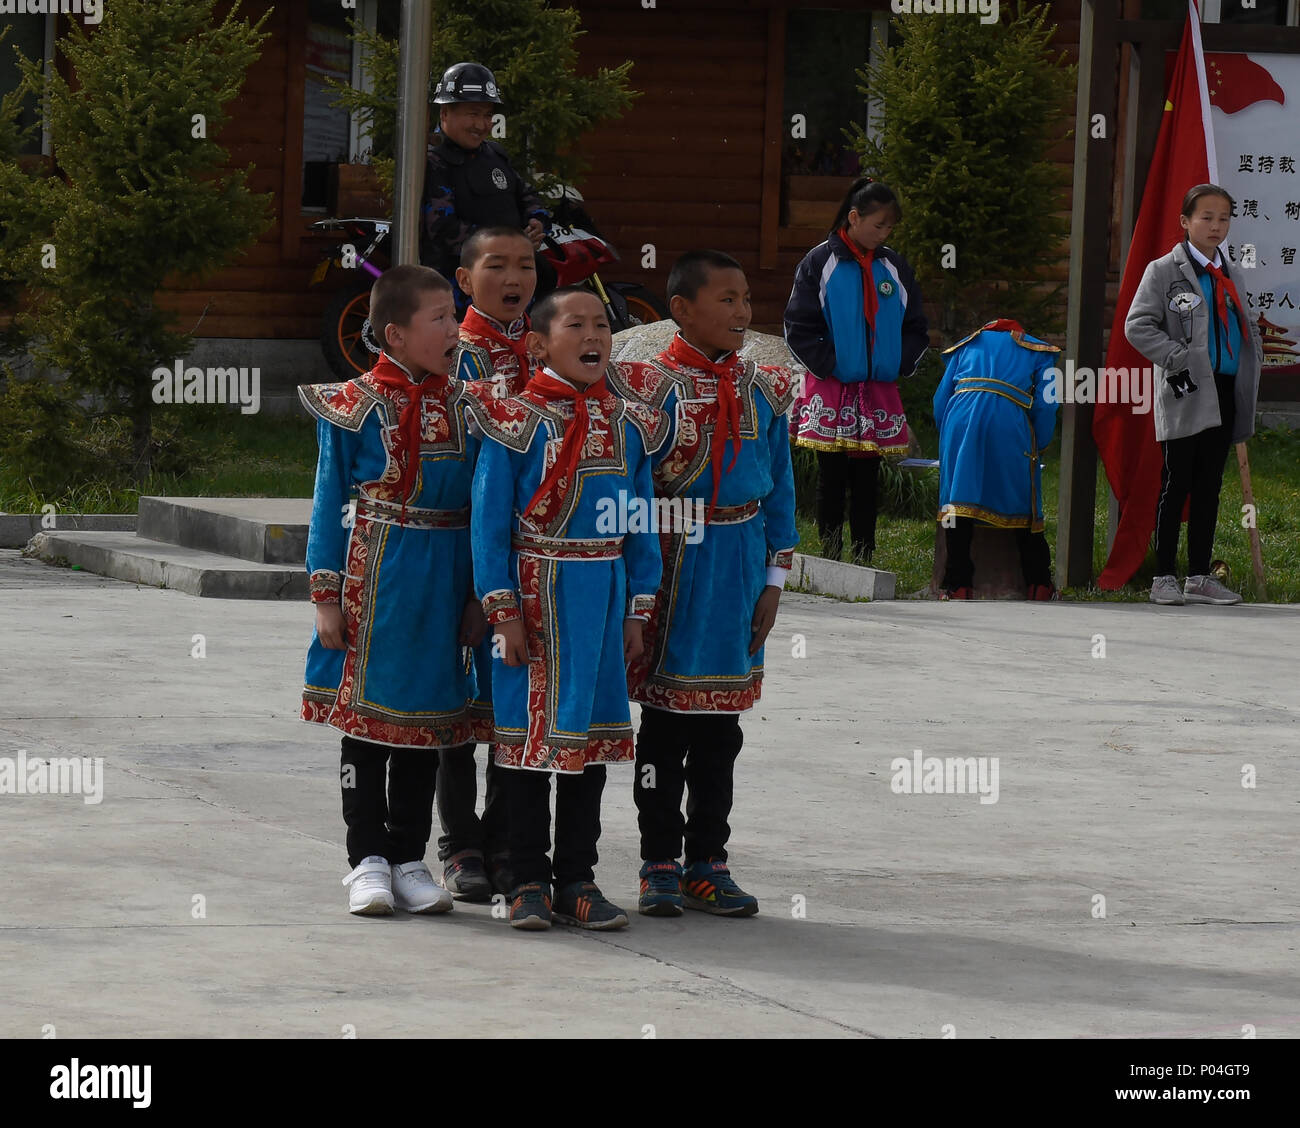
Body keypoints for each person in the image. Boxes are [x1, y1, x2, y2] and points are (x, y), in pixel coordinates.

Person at [466, 286, 669, 931]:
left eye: (602, 325)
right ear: (538, 342)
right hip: (532, 594)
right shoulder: (515, 420)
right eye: (575, 324)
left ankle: (578, 879)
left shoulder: (630, 423)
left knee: (587, 748)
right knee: (527, 747)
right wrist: (502, 612)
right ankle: (526, 878)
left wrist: (638, 609)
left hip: (603, 597)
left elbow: (640, 521)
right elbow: (489, 525)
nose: (593, 336)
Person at [299, 264, 489, 917]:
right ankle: (366, 860)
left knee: (428, 725)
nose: (454, 328)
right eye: (439, 318)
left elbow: (484, 507)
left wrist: (478, 598)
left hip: (448, 571)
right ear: (394, 334)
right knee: (369, 727)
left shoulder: (471, 406)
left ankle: (411, 858)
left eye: (456, 315)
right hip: (376, 571)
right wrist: (326, 594)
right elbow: (328, 505)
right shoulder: (352, 405)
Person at [615, 250, 798, 918]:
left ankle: (708, 861)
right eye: (726, 299)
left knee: (722, 729)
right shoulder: (644, 388)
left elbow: (780, 489)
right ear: (681, 311)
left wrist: (775, 579)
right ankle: (657, 860)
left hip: (741, 559)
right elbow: (634, 489)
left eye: (747, 298)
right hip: (672, 559)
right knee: (664, 725)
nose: (743, 312)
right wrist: (639, 585)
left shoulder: (766, 389)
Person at [434, 225, 542, 902]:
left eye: (527, 265)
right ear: (464, 278)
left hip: (540, 562)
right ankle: (459, 843)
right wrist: (479, 585)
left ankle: (509, 842)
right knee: (457, 710)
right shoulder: (452, 355)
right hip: (465, 552)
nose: (515, 277)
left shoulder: (551, 347)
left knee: (516, 706)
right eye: (497, 265)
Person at [1126, 183, 1262, 606]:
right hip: (1185, 389)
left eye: (1223, 218)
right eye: (1206, 217)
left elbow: (1239, 326)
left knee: (1209, 486)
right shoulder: (1163, 270)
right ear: (1185, 222)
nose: (1216, 226)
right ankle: (1163, 575)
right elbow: (1138, 325)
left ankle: (1199, 576)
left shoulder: (1230, 271)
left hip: (1224, 388)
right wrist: (1176, 357)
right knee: (1177, 481)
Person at [785, 178, 929, 565]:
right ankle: (831, 554)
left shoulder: (893, 266)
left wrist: (897, 362)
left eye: (889, 228)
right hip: (833, 386)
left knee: (867, 479)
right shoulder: (819, 263)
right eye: (877, 225)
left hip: (877, 390)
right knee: (832, 476)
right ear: (853, 217)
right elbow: (799, 325)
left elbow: (915, 325)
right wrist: (832, 364)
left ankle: (864, 554)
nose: (883, 234)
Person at [932, 320, 1060, 600]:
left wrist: (949, 439)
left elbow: (940, 399)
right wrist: (1039, 440)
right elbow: (1047, 404)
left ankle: (958, 585)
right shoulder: (1041, 351)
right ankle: (1038, 584)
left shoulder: (965, 345)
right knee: (1024, 501)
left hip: (960, 418)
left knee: (958, 503)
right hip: (1009, 420)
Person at [421, 62, 553, 310]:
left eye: (487, 115)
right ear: (445, 113)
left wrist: (537, 221)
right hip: (461, 297)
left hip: (512, 294)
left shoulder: (495, 154)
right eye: (472, 114)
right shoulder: (433, 163)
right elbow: (443, 229)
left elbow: (527, 195)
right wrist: (508, 246)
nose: (481, 125)